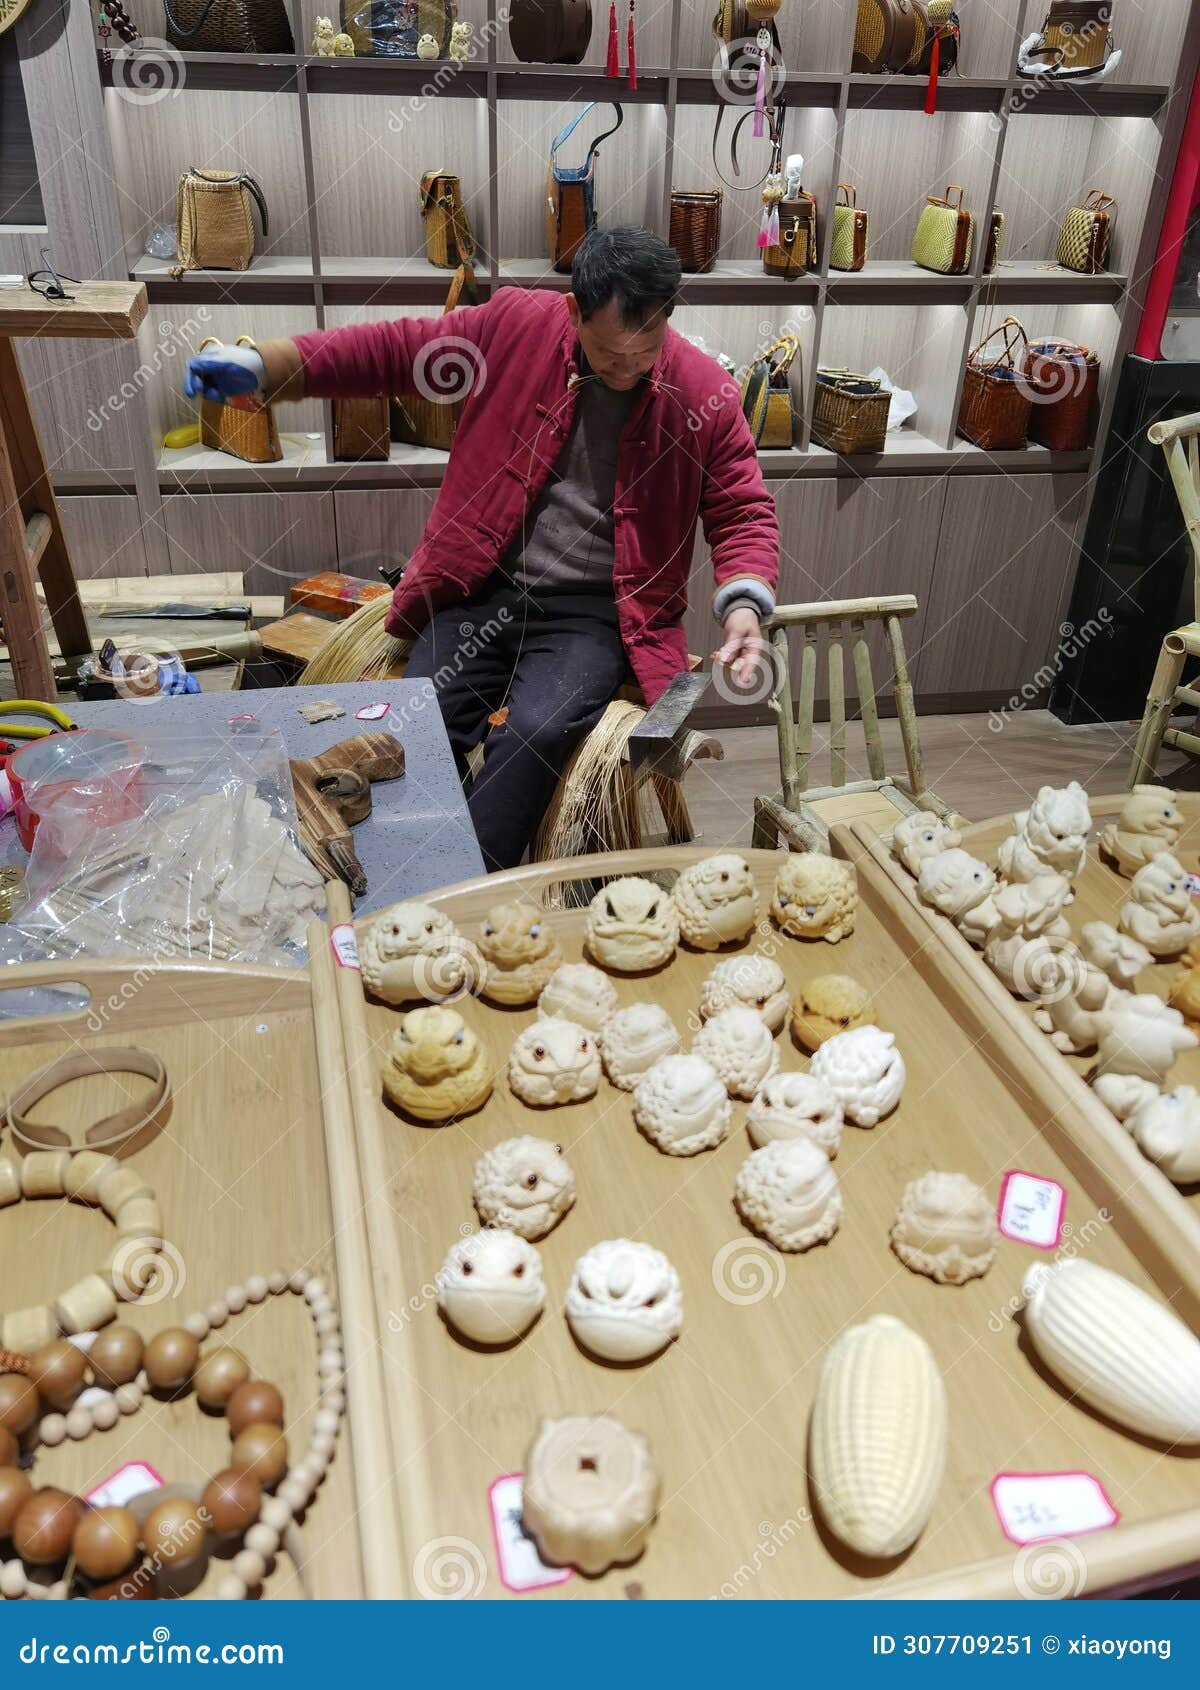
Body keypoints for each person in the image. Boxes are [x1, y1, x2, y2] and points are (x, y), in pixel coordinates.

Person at [184, 226, 780, 870]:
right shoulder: (515, 327)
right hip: (482, 585)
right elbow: (394, 352)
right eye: (610, 353)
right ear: (573, 311)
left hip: (596, 613)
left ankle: (466, 880)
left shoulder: (703, 393)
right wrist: (269, 365)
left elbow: (742, 509)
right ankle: (401, 866)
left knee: (537, 731)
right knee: (422, 717)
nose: (628, 368)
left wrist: (744, 607)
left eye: (646, 350)